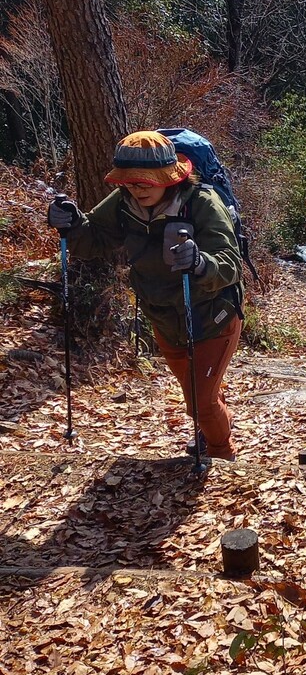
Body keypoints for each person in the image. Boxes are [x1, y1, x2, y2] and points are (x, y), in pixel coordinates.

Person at [47, 130, 244, 461]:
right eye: (128, 183)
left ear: (168, 178)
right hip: (164, 318)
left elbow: (229, 265)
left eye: (143, 183)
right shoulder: (125, 202)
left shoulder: (202, 204)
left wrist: (199, 262)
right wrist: (71, 224)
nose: (135, 190)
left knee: (199, 401)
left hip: (213, 316)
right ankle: (210, 425)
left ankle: (223, 456)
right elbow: (94, 239)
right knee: (197, 395)